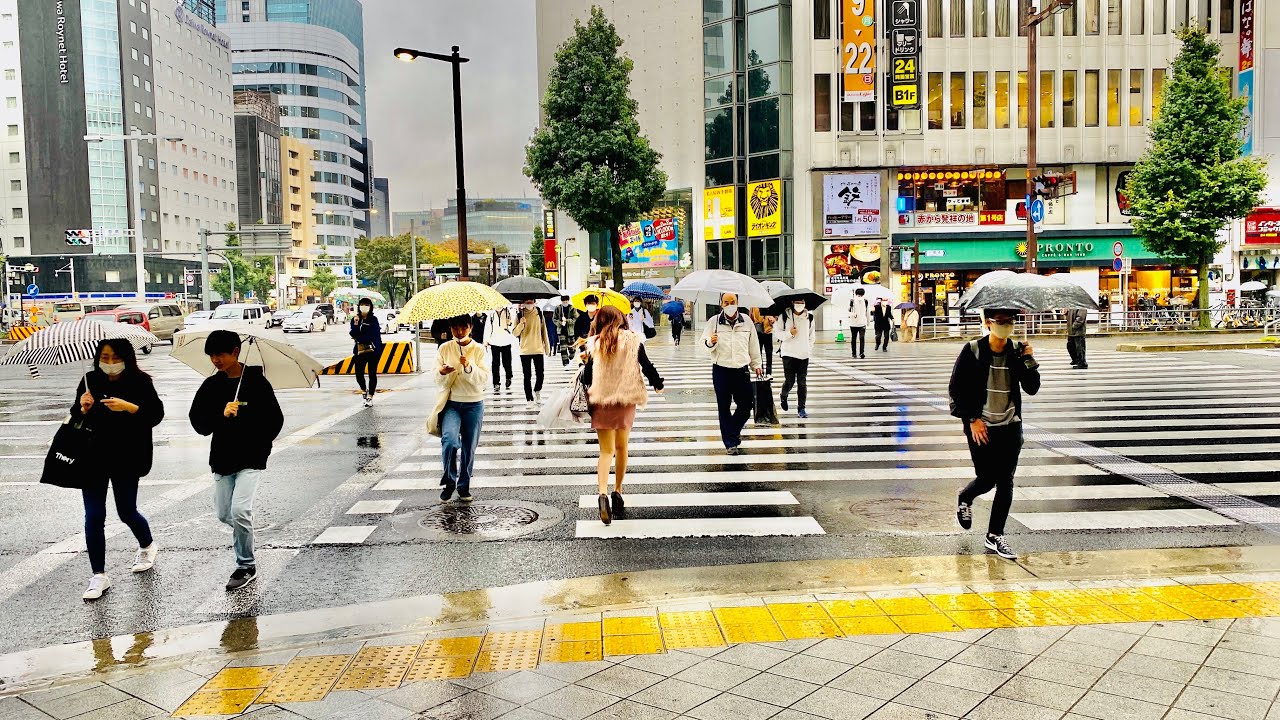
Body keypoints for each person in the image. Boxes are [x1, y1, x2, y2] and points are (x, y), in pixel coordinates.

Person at [189, 330, 285, 591]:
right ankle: (246, 535)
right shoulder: (211, 386)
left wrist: (260, 443)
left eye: (220, 354)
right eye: (211, 355)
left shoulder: (256, 383)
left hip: (251, 457)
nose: (216, 360)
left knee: (240, 511)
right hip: (222, 458)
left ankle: (246, 565)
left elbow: (275, 419)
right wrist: (221, 414)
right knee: (224, 514)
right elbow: (199, 423)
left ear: (235, 352)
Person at [73, 339, 164, 601]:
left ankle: (147, 545)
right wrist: (83, 407)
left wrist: (130, 407)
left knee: (126, 510)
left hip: (127, 456)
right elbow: (76, 416)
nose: (110, 363)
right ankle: (98, 575)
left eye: (115, 357)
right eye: (105, 357)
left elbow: (155, 414)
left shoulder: (140, 381)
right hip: (92, 456)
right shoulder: (89, 380)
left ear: (126, 357)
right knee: (93, 516)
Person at [949, 309, 1041, 561]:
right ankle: (966, 496)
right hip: (981, 426)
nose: (1005, 326)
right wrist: (973, 420)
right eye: (1000, 321)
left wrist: (1029, 360)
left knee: (1006, 480)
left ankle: (995, 535)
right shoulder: (973, 350)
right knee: (987, 479)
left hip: (1010, 425)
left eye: (1009, 321)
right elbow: (956, 389)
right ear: (988, 323)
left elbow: (1032, 388)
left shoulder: (1017, 350)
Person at [582, 306, 664, 525]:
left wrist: (585, 363)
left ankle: (602, 495)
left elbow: (587, 378)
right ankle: (617, 492)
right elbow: (646, 365)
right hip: (626, 399)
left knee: (605, 451)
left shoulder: (595, 343)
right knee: (622, 447)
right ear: (620, 319)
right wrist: (658, 384)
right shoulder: (633, 340)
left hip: (602, 399)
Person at [436, 315, 490, 503]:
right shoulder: (445, 348)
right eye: (455, 328)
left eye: (463, 328)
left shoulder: (479, 349)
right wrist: (442, 373)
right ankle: (449, 481)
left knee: (469, 447)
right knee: (449, 441)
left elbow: (483, 379)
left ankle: (464, 485)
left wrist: (468, 366)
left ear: (470, 327)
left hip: (474, 403)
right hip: (452, 403)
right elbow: (437, 379)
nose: (459, 332)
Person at [702, 293, 763, 455]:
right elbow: (704, 345)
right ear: (721, 304)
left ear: (737, 303)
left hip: (741, 370)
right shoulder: (713, 322)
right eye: (726, 302)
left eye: (732, 302)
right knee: (724, 407)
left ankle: (732, 432)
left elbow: (753, 345)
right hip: (721, 370)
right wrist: (711, 342)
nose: (729, 305)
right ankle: (730, 443)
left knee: (746, 406)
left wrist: (756, 364)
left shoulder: (746, 321)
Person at [775, 299, 816, 418]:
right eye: (797, 302)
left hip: (804, 355)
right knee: (790, 381)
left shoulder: (810, 318)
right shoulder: (784, 316)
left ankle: (801, 408)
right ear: (792, 303)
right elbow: (777, 334)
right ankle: (783, 395)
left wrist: (808, 348)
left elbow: (811, 336)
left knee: (802, 382)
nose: (800, 304)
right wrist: (789, 333)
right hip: (788, 354)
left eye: (802, 302)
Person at [513, 300, 550, 407]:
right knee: (527, 376)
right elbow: (515, 333)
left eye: (531, 302)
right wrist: (521, 324)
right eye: (527, 302)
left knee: (540, 374)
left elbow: (544, 330)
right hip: (525, 350)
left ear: (534, 302)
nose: (529, 304)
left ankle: (537, 390)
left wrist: (546, 346)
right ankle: (529, 398)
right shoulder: (520, 314)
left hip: (538, 349)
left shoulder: (539, 312)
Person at [349, 298, 383, 407]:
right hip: (360, 351)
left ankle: (370, 396)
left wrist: (358, 337)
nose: (364, 306)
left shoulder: (373, 320)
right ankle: (364, 390)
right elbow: (353, 333)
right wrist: (356, 324)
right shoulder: (355, 319)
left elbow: (372, 334)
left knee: (372, 373)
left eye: (366, 304)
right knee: (359, 373)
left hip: (373, 350)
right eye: (362, 304)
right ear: (359, 306)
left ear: (370, 306)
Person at [484, 305, 515, 392]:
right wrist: (486, 341)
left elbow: (513, 328)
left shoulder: (509, 312)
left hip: (506, 341)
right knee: (495, 364)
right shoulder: (491, 314)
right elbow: (488, 328)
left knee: (507, 363)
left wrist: (509, 323)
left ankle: (509, 376)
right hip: (494, 342)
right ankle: (496, 383)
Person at [751, 307, 776, 376]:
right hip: (758, 331)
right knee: (758, 352)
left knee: (769, 352)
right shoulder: (753, 306)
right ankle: (760, 371)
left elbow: (775, 317)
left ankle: (768, 372)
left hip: (768, 331)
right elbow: (751, 318)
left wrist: (773, 320)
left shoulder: (769, 306)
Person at [848, 288, 869, 359]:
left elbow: (848, 312)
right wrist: (868, 322)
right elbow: (867, 312)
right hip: (862, 323)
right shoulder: (864, 301)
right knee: (862, 338)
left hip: (853, 323)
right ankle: (861, 352)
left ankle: (854, 353)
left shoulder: (852, 300)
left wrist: (852, 315)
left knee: (854, 338)